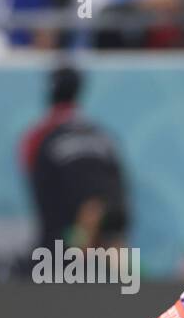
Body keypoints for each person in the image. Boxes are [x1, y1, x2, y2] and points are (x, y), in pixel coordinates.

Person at [19, 66, 128, 252]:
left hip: (61, 248)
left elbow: (30, 173)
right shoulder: (103, 136)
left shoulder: (38, 136)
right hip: (102, 243)